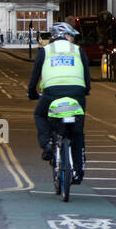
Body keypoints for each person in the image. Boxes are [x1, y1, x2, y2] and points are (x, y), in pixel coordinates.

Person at [27, 22, 91, 183]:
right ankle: (79, 168)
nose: (73, 39)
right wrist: (86, 90)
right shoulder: (77, 51)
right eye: (72, 36)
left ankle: (47, 144)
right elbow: (87, 76)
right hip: (76, 95)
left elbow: (34, 76)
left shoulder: (46, 51)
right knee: (77, 133)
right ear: (66, 36)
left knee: (40, 115)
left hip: (51, 95)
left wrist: (32, 93)